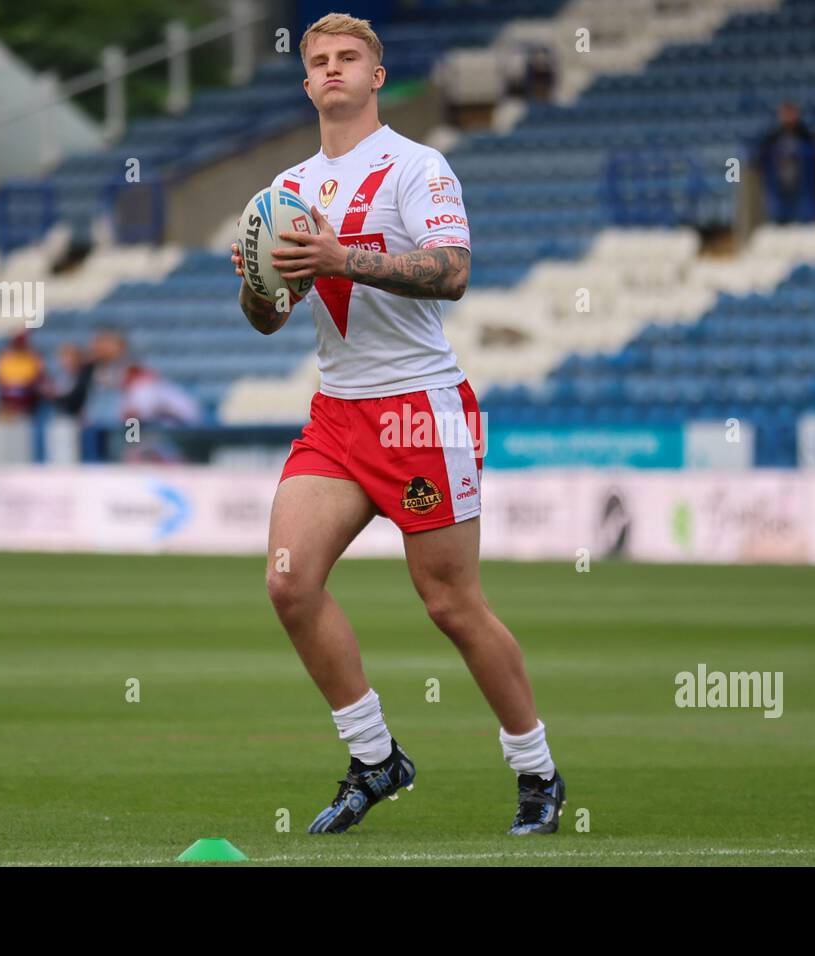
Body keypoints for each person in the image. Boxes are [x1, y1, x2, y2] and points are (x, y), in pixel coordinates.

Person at [229, 12, 565, 836]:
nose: (334, 69)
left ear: (377, 77)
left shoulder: (419, 167)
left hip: (421, 411)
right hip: (336, 415)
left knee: (451, 604)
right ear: (306, 82)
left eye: (349, 58)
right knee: (287, 580)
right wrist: (259, 281)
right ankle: (377, 758)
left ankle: (537, 771)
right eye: (319, 61)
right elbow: (266, 320)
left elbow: (452, 273)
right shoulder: (282, 194)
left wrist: (341, 259)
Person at [755, 101, 815, 223]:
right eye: (785, 114)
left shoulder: (806, 135)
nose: (788, 117)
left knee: (803, 217)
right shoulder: (773, 136)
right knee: (779, 216)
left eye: (790, 113)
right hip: (779, 183)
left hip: (803, 183)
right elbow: (761, 153)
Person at [0, 331, 44, 418]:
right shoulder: (4, 357)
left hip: (28, 398)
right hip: (7, 397)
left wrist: (21, 383)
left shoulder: (33, 357)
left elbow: (37, 377)